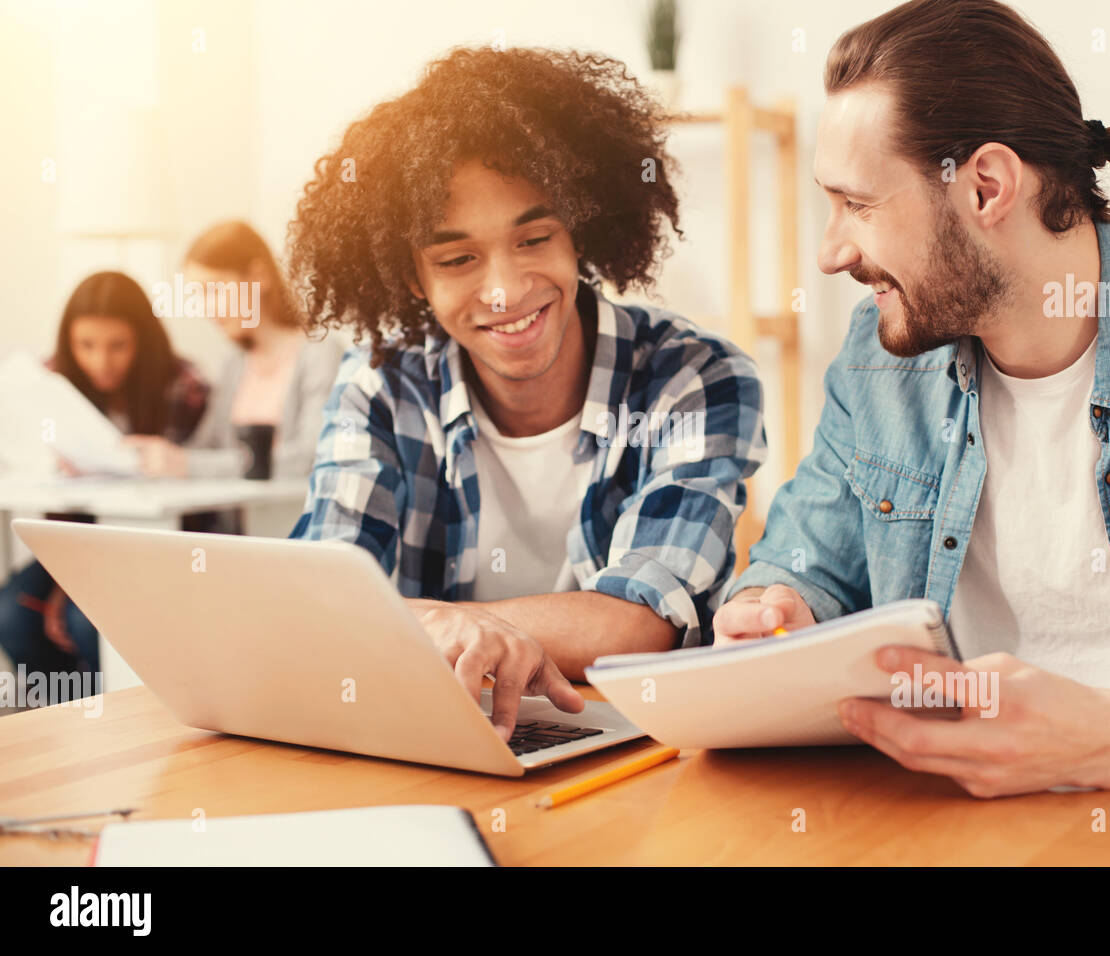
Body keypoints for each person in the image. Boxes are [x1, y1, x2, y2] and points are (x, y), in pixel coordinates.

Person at [714, 0, 1110, 796]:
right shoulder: (881, 356)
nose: (830, 251)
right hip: (945, 823)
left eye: (857, 204)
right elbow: (806, 564)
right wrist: (773, 605)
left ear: (986, 186)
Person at [287, 46, 766, 739]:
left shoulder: (694, 377)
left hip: (639, 749)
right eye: (457, 260)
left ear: (581, 232)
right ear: (415, 277)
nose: (505, 291)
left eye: (535, 237)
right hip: (442, 737)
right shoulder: (382, 383)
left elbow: (638, 624)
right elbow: (316, 600)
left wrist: (441, 626)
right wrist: (448, 632)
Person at [0, 271, 209, 700]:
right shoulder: (51, 385)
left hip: (156, 547)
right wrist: (66, 580)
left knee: (85, 621)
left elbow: (205, 483)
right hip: (75, 544)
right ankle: (63, 728)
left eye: (118, 345)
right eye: (86, 346)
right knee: (12, 612)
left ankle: (111, 732)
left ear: (142, 340)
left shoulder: (185, 388)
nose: (101, 362)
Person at [124, 221, 344, 494]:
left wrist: (188, 465)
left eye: (214, 290)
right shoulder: (235, 363)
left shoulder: (320, 353)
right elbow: (203, 450)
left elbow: (310, 458)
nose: (207, 309)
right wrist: (144, 458)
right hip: (232, 530)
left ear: (259, 277)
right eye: (199, 296)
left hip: (286, 528)